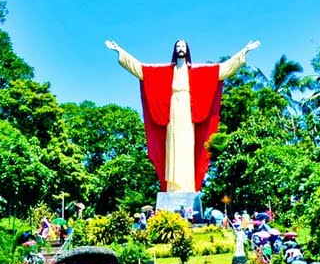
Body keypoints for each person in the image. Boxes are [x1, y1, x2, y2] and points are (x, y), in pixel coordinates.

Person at [106, 37, 260, 192]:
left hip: (188, 111)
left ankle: (187, 186)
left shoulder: (198, 72)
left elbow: (223, 69)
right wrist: (120, 51)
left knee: (187, 146)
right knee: (172, 145)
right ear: (174, 50)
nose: (181, 48)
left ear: (187, 50)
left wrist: (244, 51)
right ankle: (172, 187)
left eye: (183, 46)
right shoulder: (165, 72)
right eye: (178, 46)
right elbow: (140, 69)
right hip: (172, 110)